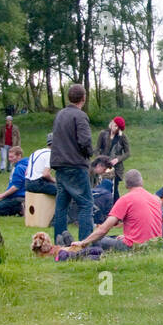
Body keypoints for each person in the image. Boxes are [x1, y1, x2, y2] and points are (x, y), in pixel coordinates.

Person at [50, 84, 94, 247]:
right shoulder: (80, 116)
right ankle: (84, 243)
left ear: (69, 98)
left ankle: (59, 242)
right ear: (83, 98)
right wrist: (90, 152)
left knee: (62, 205)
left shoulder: (60, 115)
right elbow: (85, 141)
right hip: (75, 165)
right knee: (85, 204)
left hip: (59, 165)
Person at [76, 170, 163, 251]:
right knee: (114, 237)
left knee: (98, 239)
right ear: (141, 182)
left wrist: (83, 242)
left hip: (135, 247)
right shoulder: (155, 199)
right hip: (155, 244)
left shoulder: (126, 199)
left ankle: (83, 251)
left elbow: (103, 229)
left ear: (126, 185)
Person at [97, 116, 130, 196]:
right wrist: (100, 159)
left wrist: (117, 159)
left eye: (117, 126)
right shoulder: (103, 134)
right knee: (101, 188)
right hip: (102, 166)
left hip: (116, 169)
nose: (114, 127)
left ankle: (116, 205)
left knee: (114, 190)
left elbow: (127, 153)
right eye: (114, 124)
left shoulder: (122, 137)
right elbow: (97, 149)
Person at [0, 146, 28, 217]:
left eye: (12, 157)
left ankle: (19, 207)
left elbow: (16, 187)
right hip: (20, 197)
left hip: (17, 197)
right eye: (9, 157)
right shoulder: (25, 166)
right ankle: (19, 209)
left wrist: (1, 195)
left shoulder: (19, 168)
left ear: (19, 156)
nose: (9, 159)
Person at [90, 159, 116, 223]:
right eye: (104, 169)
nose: (104, 172)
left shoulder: (93, 189)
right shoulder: (108, 195)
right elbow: (108, 211)